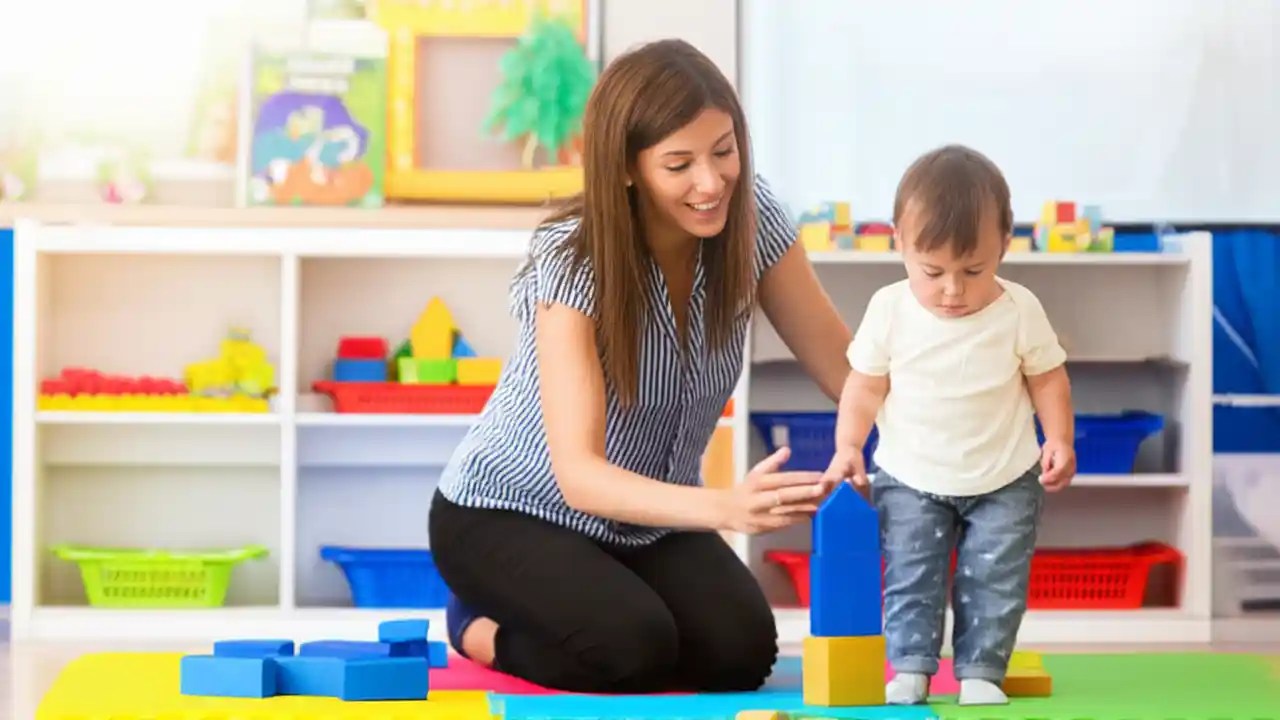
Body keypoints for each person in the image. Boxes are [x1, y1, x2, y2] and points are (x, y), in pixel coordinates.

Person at [428, 39, 852, 694]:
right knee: (628, 650)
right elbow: (580, 477)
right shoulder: (574, 260)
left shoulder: (753, 217)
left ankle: (597, 601)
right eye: (679, 164)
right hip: (509, 511)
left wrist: (959, 428)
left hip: (646, 517)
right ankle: (476, 627)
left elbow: (845, 371)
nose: (711, 183)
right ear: (628, 168)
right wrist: (724, 506)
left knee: (740, 653)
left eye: (724, 150)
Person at [822, 145, 1076, 706]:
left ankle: (982, 669)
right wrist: (847, 446)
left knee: (996, 579)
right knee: (912, 573)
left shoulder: (1019, 309)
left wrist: (1058, 437)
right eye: (932, 271)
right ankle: (910, 666)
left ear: (1004, 244)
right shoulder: (888, 309)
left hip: (1006, 478)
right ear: (900, 243)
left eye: (974, 270)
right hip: (910, 475)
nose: (953, 290)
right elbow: (864, 386)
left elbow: (1048, 378)